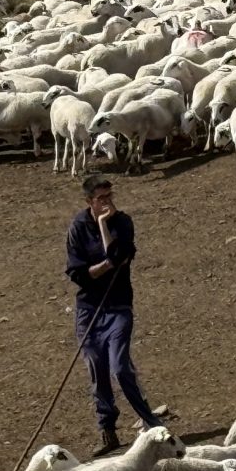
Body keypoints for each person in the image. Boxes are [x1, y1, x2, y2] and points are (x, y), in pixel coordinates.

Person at [66, 174, 162, 456]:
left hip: (118, 305)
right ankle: (107, 430)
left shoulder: (123, 222)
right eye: (101, 199)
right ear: (89, 201)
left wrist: (103, 225)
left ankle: (151, 421)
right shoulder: (76, 228)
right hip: (89, 310)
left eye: (110, 196)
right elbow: (78, 273)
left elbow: (118, 255)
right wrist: (107, 266)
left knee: (119, 367)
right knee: (96, 366)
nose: (108, 202)